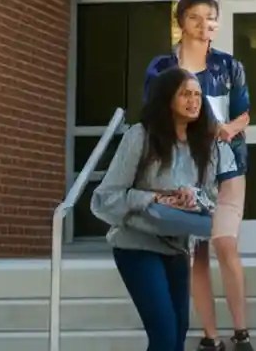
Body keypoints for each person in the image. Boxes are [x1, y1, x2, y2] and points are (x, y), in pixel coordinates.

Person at [92, 67, 240, 351]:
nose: (194, 100)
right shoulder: (140, 136)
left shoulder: (205, 145)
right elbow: (105, 199)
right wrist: (153, 199)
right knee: (163, 333)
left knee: (177, 334)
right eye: (185, 94)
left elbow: (210, 199)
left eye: (198, 95)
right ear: (166, 98)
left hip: (177, 247)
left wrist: (192, 197)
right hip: (136, 245)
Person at [143, 0, 253, 351]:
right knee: (196, 252)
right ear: (181, 22)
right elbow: (151, 115)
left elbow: (244, 113)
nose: (205, 24)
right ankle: (211, 336)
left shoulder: (229, 65)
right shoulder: (162, 68)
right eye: (196, 17)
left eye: (211, 17)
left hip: (227, 164)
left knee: (224, 243)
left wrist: (228, 129)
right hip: (183, 168)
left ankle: (241, 332)